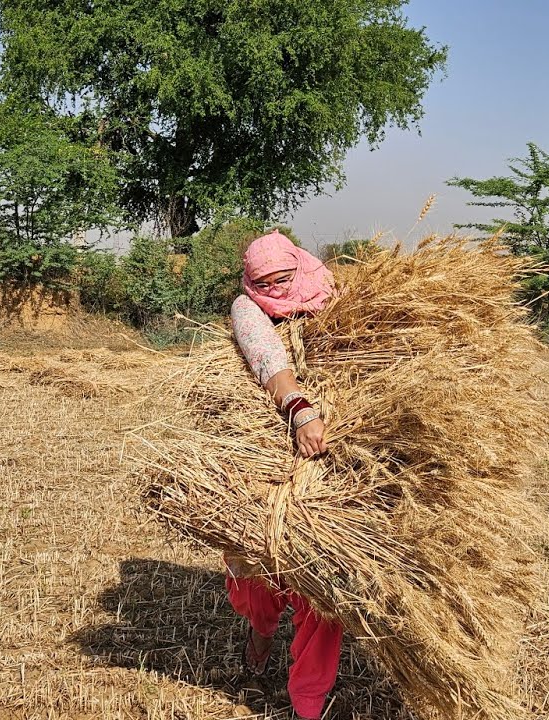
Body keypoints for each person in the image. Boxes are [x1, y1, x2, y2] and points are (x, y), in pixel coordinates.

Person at [225, 230, 342, 720]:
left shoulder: (330, 288)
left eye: (284, 280)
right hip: (275, 440)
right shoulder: (246, 309)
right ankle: (263, 629)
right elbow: (267, 358)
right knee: (258, 567)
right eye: (264, 283)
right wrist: (298, 408)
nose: (275, 290)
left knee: (323, 583)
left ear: (301, 265)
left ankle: (306, 703)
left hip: (334, 453)